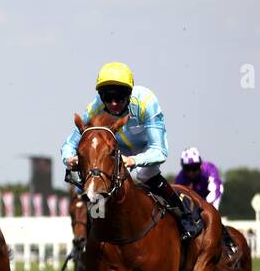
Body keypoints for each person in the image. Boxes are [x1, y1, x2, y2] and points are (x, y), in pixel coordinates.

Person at [60, 62, 200, 241]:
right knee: (96, 182)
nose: (113, 104)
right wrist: (68, 158)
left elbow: (160, 151)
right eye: (107, 98)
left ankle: (184, 217)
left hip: (145, 149)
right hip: (115, 148)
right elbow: (69, 144)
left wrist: (134, 160)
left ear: (129, 93)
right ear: (101, 97)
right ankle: (93, 232)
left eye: (119, 97)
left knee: (144, 176)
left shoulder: (147, 102)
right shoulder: (95, 107)